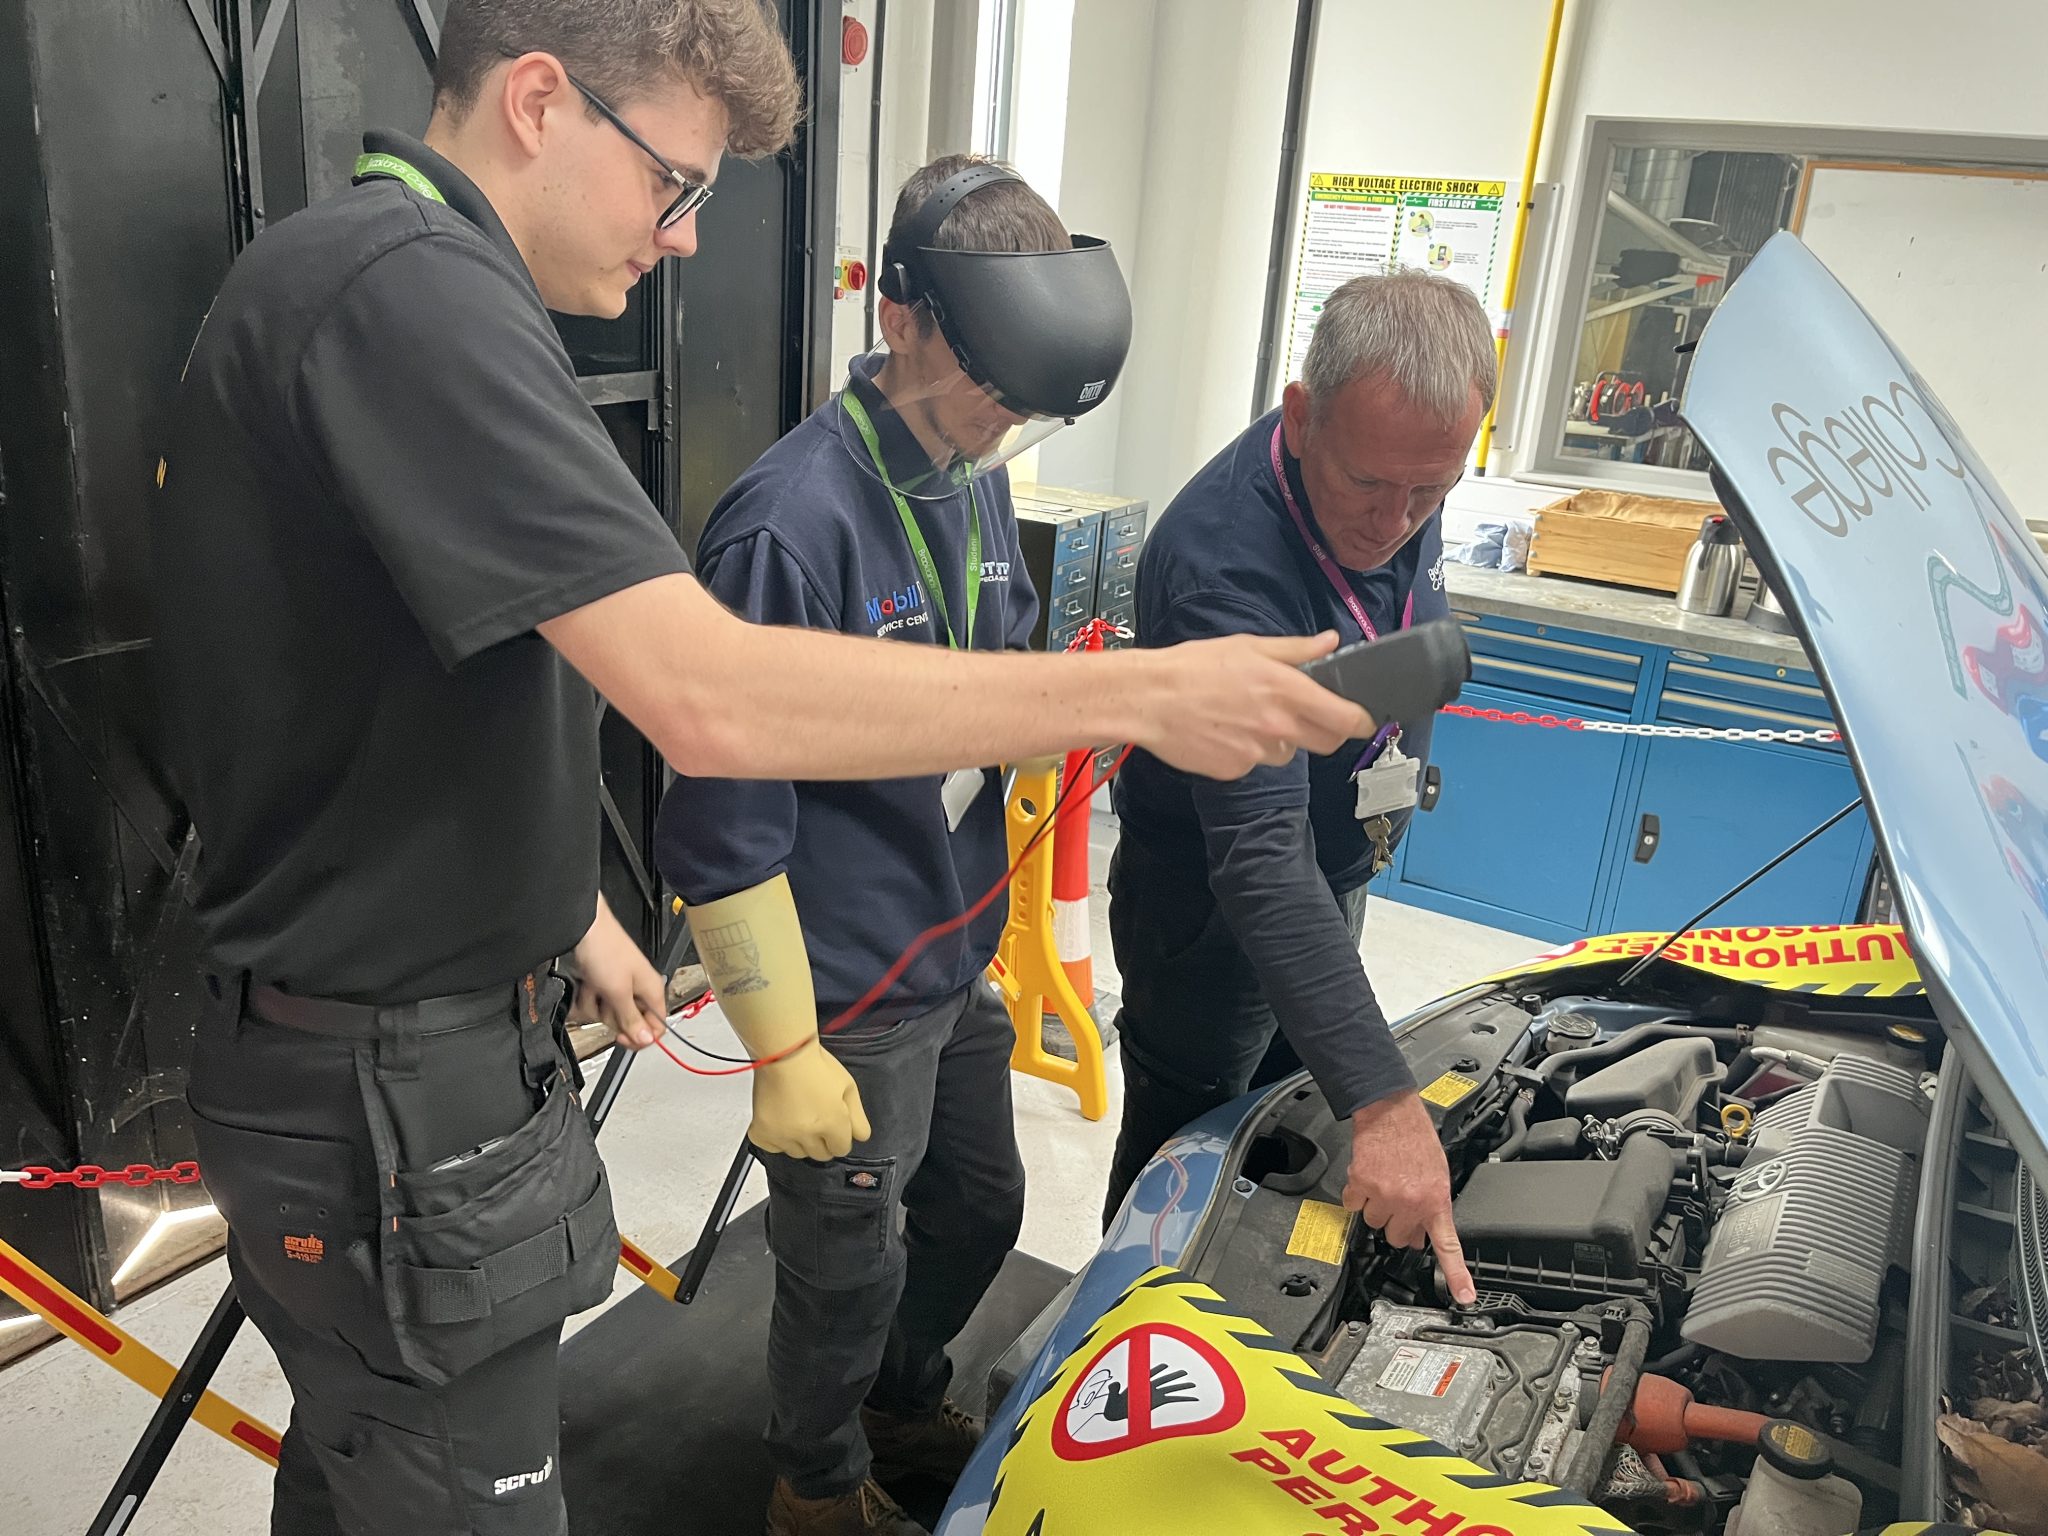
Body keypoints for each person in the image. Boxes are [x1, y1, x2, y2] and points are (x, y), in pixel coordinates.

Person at [149, 2, 1374, 1531]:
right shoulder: (410, 291)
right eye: (675, 185)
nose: (678, 241)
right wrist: (1151, 691)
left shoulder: (378, 287)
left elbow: (382, 698)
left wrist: (566, 913)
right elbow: (706, 703)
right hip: (390, 1095)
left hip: (387, 1050)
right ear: (539, 102)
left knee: (362, 1480)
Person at [656, 154, 1104, 1536]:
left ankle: (902, 1403)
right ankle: (816, 1485)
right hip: (842, 977)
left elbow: (997, 675)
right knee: (844, 1261)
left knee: (979, 1199)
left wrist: (1082, 712)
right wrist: (782, 1051)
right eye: (992, 380)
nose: (1005, 417)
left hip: (944, 943)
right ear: (901, 316)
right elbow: (719, 827)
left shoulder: (967, 474)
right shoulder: (792, 528)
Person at [1101, 270, 1488, 1306]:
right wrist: (1386, 1104)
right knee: (1180, 1156)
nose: (1396, 522)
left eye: (1430, 493)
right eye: (1370, 487)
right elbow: (1256, 858)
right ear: (1302, 416)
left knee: (1286, 1121)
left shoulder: (1395, 470)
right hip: (1212, 910)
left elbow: (1397, 621)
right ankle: (1120, 1346)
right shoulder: (1225, 566)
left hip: (1328, 867)